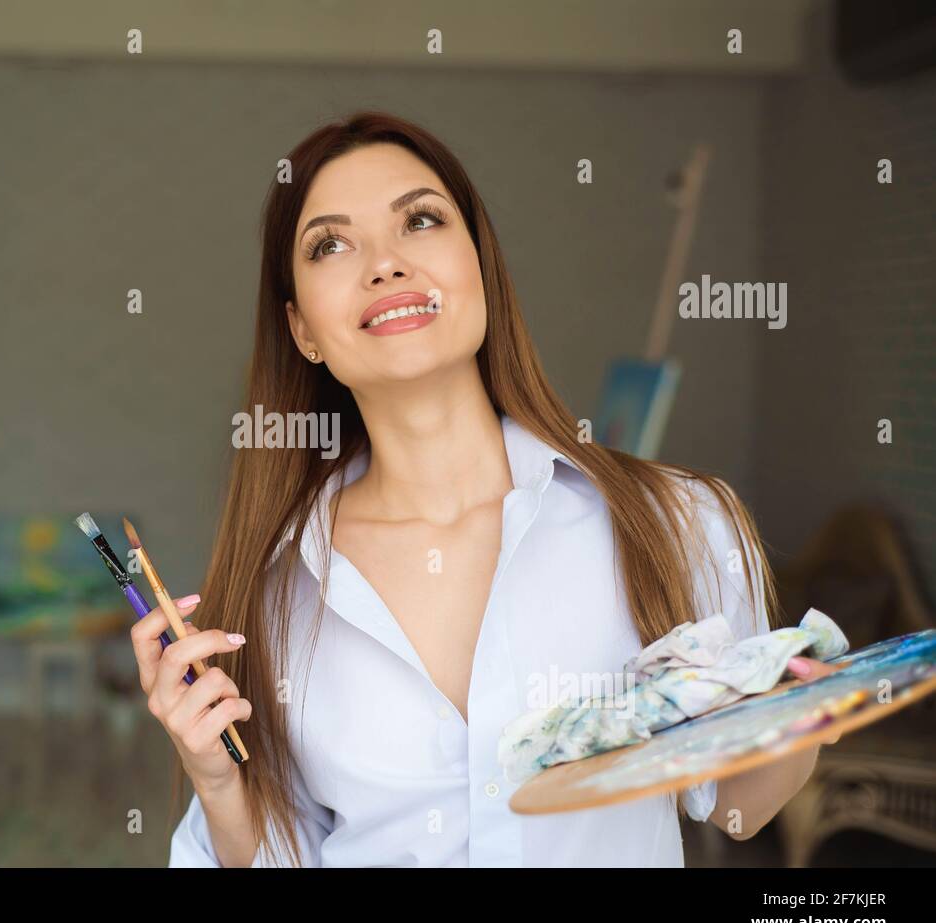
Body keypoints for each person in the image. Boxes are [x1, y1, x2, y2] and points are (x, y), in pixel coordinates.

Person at [130, 111, 838, 867]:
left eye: (421, 221)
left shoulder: (676, 520)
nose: (385, 264)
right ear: (303, 329)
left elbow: (734, 806)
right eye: (331, 244)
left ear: (480, 268)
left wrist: (808, 714)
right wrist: (218, 782)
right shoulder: (273, 594)